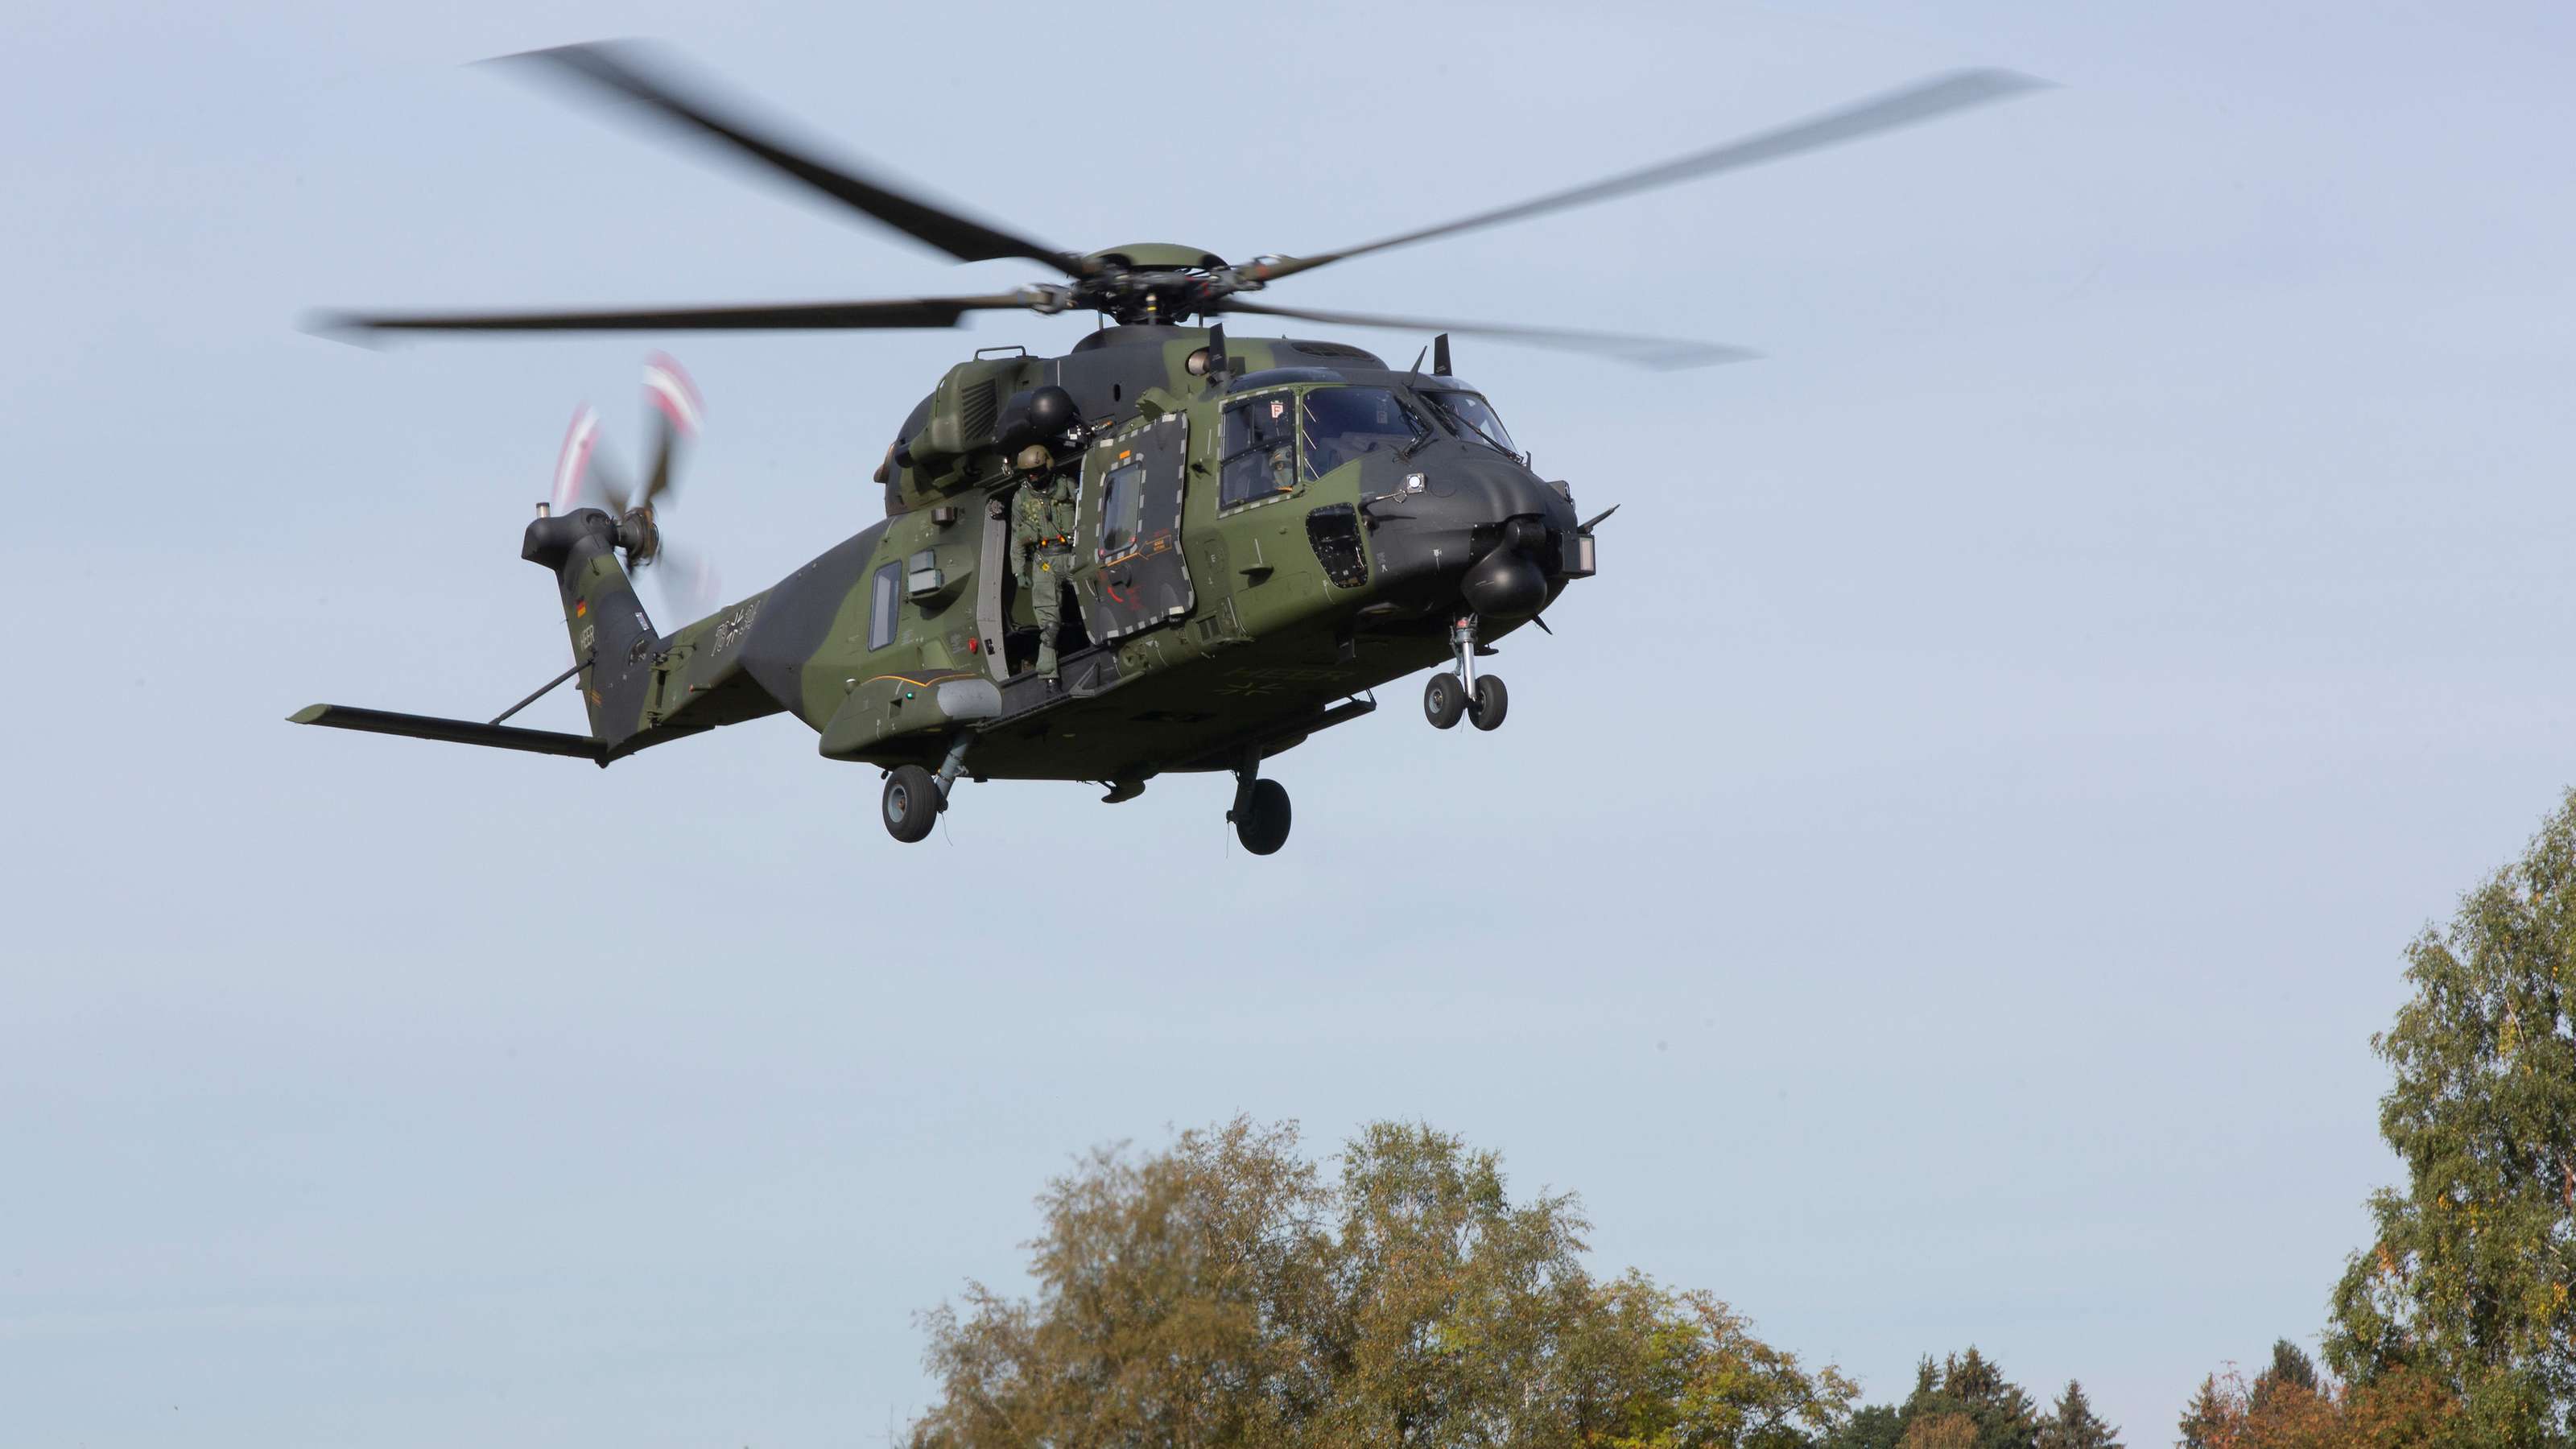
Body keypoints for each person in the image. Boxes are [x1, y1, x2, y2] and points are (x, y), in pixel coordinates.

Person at [1009, 443, 1080, 682]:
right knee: (1049, 627)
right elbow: (1017, 538)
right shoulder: (1020, 498)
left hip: (1073, 554)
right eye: (1028, 473)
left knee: (1097, 600)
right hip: (1045, 563)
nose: (1032, 477)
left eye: (1036, 472)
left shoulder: (1067, 486)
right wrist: (1019, 571)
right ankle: (1049, 677)